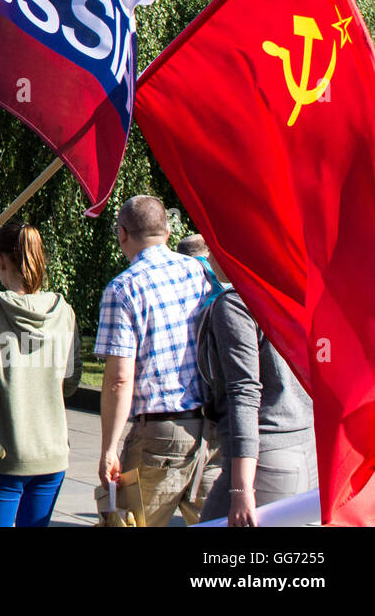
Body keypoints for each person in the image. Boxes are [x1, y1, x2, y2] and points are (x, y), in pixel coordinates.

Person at [96, 195, 220, 526]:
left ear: (122, 234)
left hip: (158, 436)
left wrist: (110, 448)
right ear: (167, 231)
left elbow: (120, 380)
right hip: (211, 431)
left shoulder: (122, 290)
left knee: (128, 522)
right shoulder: (200, 272)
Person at [194, 248, 316, 526]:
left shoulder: (236, 303)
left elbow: (244, 393)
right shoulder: (295, 292)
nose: (209, 254)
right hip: (306, 449)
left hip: (264, 460)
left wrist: (240, 489)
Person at [0, 222, 80, 527]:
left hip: (4, 455)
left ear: (2, 261)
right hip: (53, 451)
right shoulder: (65, 313)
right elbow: (70, 381)